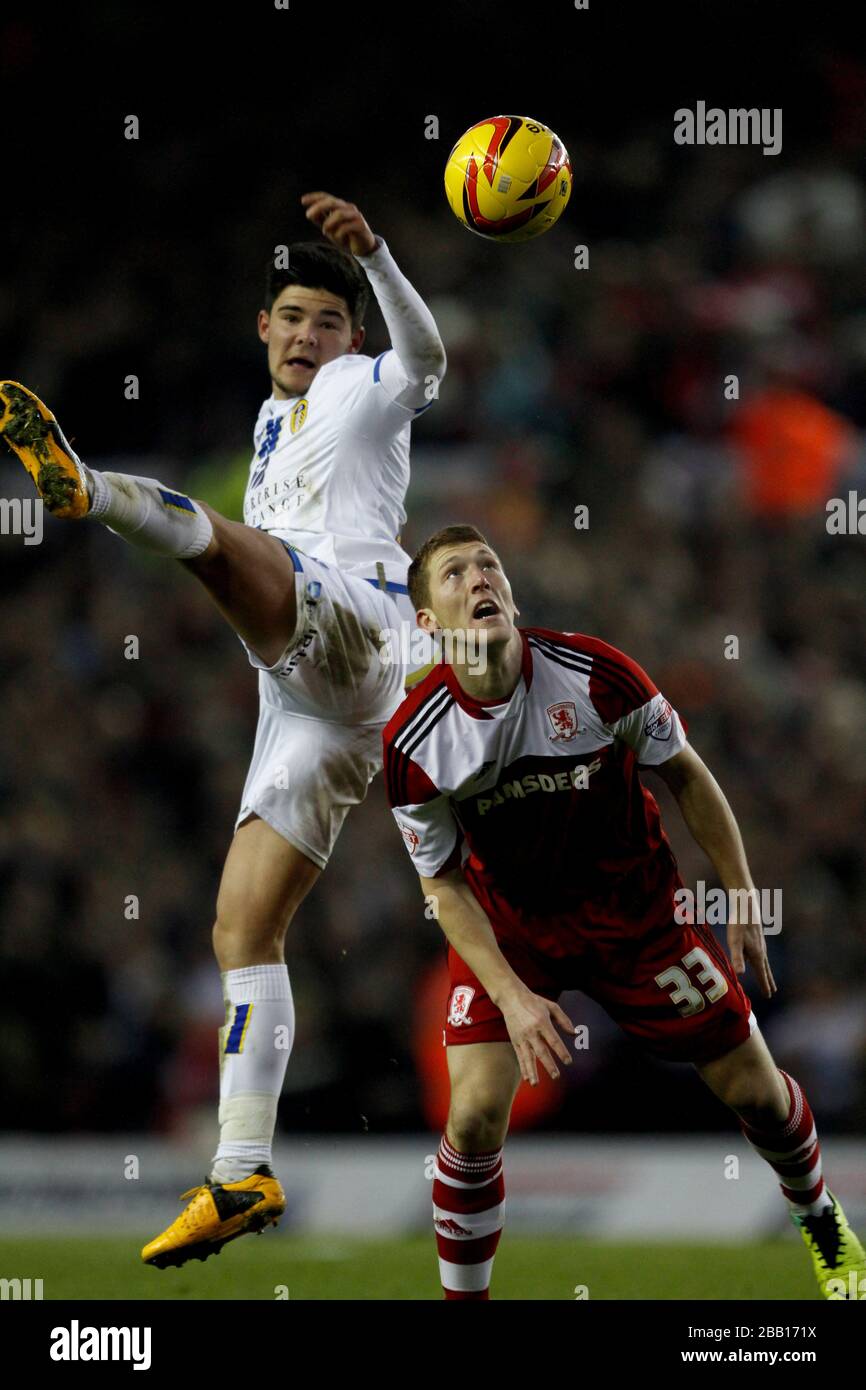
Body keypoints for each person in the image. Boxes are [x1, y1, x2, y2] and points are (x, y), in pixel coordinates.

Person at [0, 191, 445, 1268]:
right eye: (292, 317)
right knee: (241, 932)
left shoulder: (361, 387)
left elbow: (426, 360)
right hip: (305, 703)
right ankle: (241, 1171)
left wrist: (378, 260)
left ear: (349, 339)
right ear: (262, 328)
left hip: (358, 625)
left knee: (217, 547)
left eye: (326, 321)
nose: (307, 336)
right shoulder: (264, 420)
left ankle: (86, 488)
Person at [382, 523, 866, 1301]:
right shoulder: (414, 741)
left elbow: (688, 776)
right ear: (429, 626)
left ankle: (818, 1216)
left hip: (640, 918)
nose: (481, 579)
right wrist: (509, 995)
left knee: (756, 1092)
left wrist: (739, 889)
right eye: (455, 573)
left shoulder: (595, 673)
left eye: (489, 565)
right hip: (516, 931)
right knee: (472, 1118)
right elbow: (442, 887)